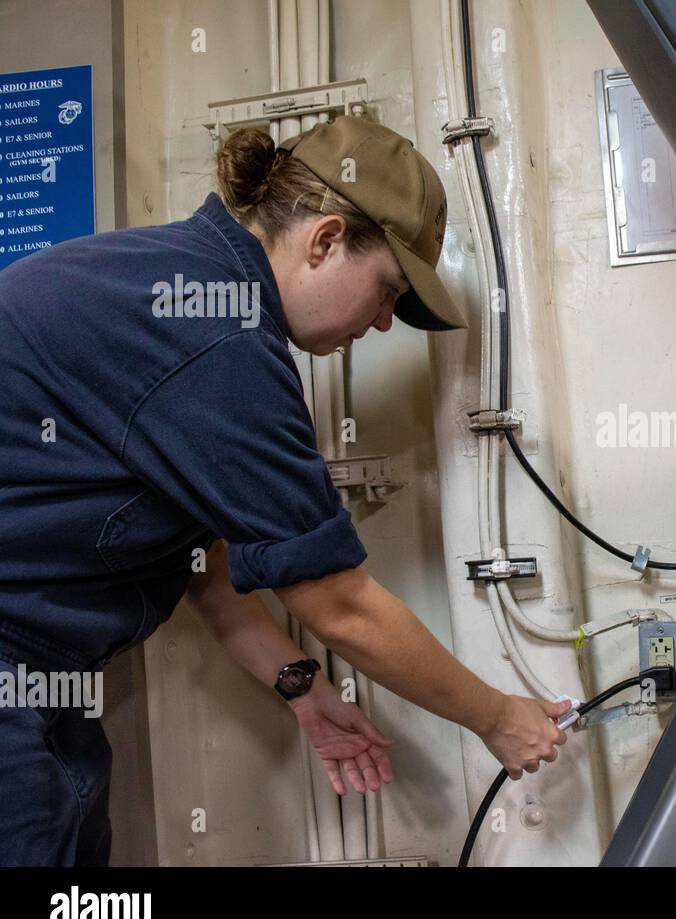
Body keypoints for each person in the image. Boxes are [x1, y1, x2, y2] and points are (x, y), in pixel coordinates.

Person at [0, 115, 570, 866]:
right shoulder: (219, 341)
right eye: (387, 291)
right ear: (326, 240)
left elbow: (209, 575)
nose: (382, 321)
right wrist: (497, 718)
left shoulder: (186, 289)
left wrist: (303, 689)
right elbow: (340, 605)